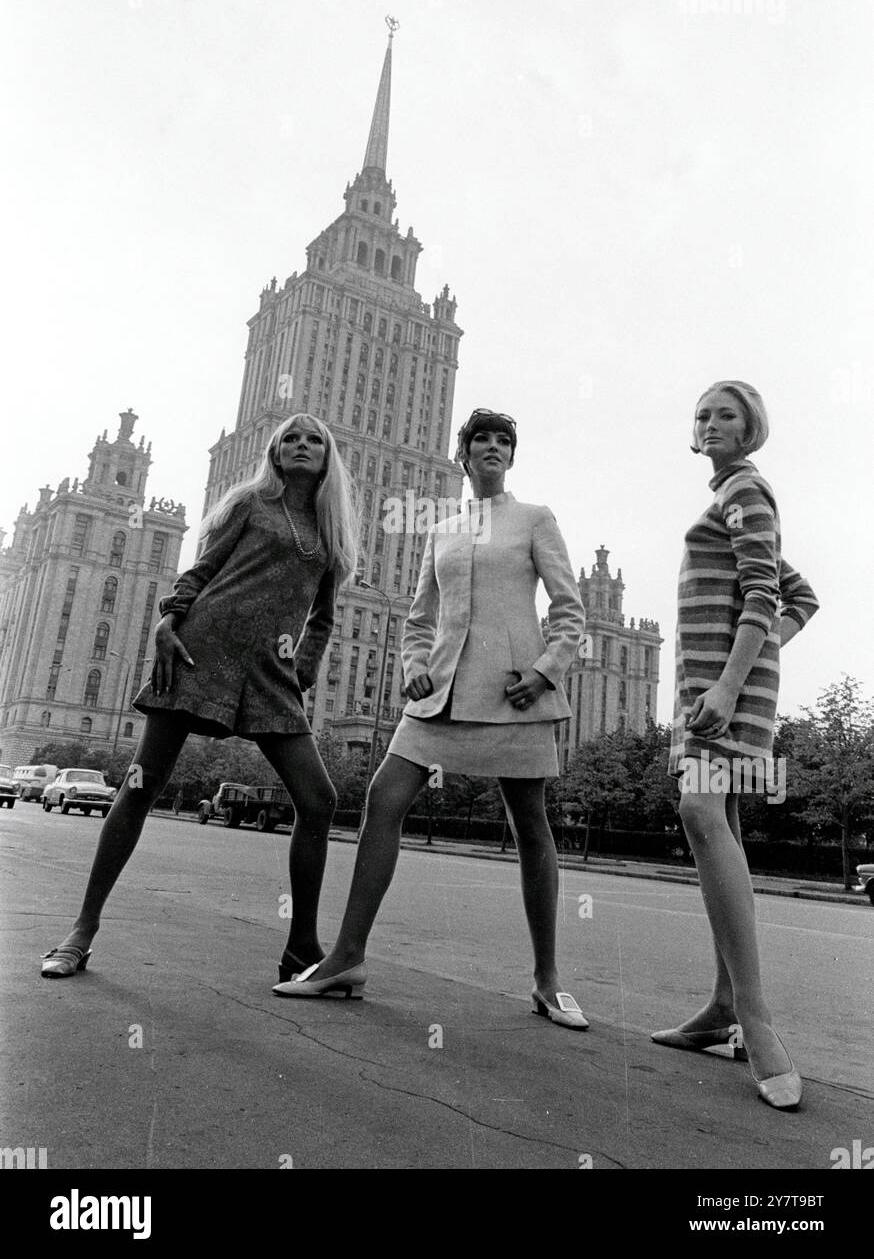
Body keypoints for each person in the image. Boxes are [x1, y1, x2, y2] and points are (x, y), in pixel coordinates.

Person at [274, 409, 590, 1030]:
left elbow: (569, 609)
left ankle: (548, 982)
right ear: (464, 456)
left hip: (514, 696)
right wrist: (413, 665)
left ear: (511, 457)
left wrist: (545, 669)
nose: (493, 449)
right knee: (382, 801)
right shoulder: (442, 530)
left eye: (504, 442)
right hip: (438, 697)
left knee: (531, 828)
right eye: (482, 441)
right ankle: (346, 959)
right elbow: (419, 619)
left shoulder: (535, 519)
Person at [40, 413, 358, 982]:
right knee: (141, 785)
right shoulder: (249, 505)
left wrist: (302, 670)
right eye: (291, 437)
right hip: (198, 651)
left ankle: (301, 948)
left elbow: (324, 619)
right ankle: (80, 932)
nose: (302, 445)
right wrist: (169, 618)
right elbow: (202, 568)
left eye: (314, 439)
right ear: (275, 451)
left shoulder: (330, 534)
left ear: (328, 456)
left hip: (270, 675)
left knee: (319, 800)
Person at [652, 381, 818, 1109]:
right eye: (703, 415)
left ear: (751, 429)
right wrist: (739, 672)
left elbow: (762, 597)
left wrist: (730, 684)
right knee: (725, 826)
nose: (711, 423)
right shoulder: (729, 499)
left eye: (727, 414)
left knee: (698, 812)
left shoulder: (749, 490)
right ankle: (721, 1009)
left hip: (723, 692)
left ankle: (756, 1018)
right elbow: (801, 594)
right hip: (709, 689)